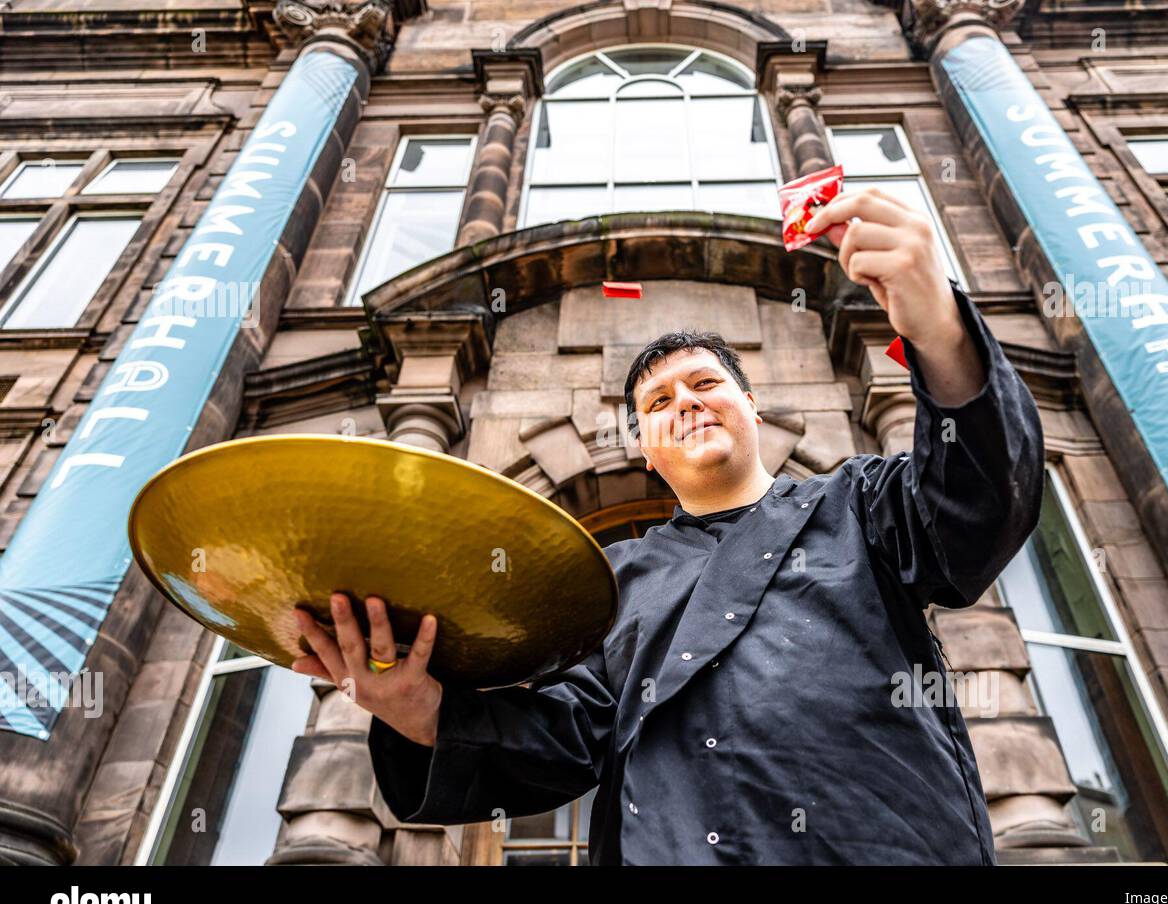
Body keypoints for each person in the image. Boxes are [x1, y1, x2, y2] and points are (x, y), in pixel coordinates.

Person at [290, 187, 1045, 864]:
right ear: (647, 453)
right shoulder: (613, 579)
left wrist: (940, 332)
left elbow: (974, 514)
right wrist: (418, 710)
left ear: (752, 409)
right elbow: (566, 738)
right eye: (657, 403)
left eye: (706, 384)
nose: (684, 402)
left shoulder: (860, 502)